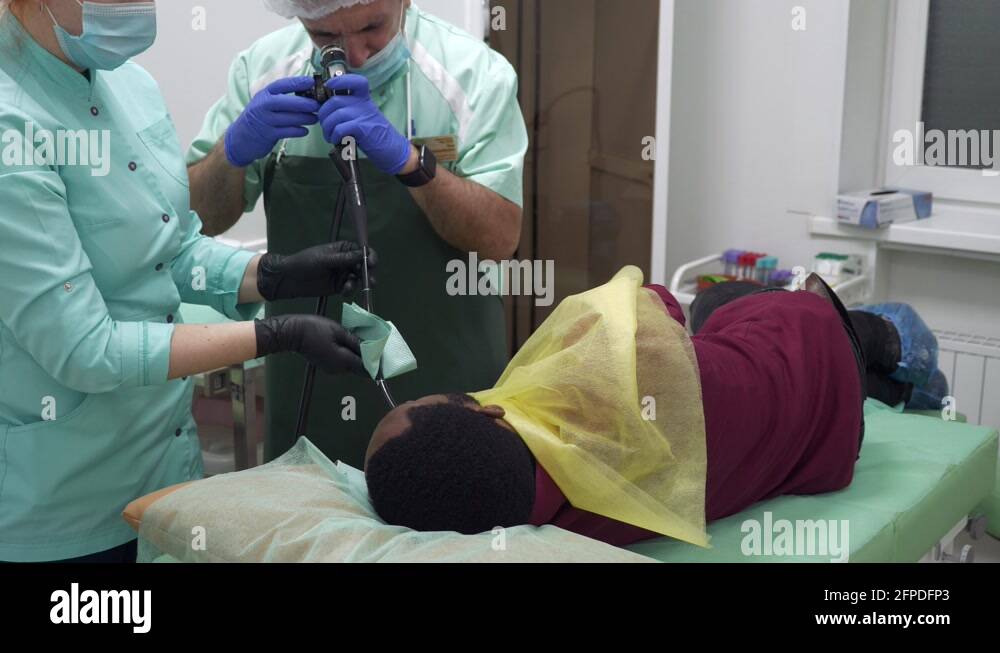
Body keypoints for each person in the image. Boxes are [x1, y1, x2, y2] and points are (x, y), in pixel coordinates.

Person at [0, 0, 372, 562]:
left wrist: (270, 274)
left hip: (167, 475)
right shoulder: (12, 125)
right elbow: (84, 349)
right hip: (64, 507)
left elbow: (167, 249)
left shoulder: (129, 85)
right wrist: (275, 335)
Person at [363, 268, 948, 546]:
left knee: (719, 307)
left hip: (821, 451)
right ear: (488, 414)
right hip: (809, 345)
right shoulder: (580, 394)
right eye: (425, 399)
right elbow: (656, 302)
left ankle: (890, 391)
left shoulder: (563, 527)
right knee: (721, 302)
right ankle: (905, 360)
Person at [186, 0, 529, 469]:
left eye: (372, 26)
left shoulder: (473, 74)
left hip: (445, 378)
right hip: (310, 383)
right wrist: (233, 152)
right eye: (326, 38)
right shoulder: (262, 71)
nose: (355, 54)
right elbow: (197, 220)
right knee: (306, 527)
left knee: (449, 509)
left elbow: (498, 238)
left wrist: (413, 165)